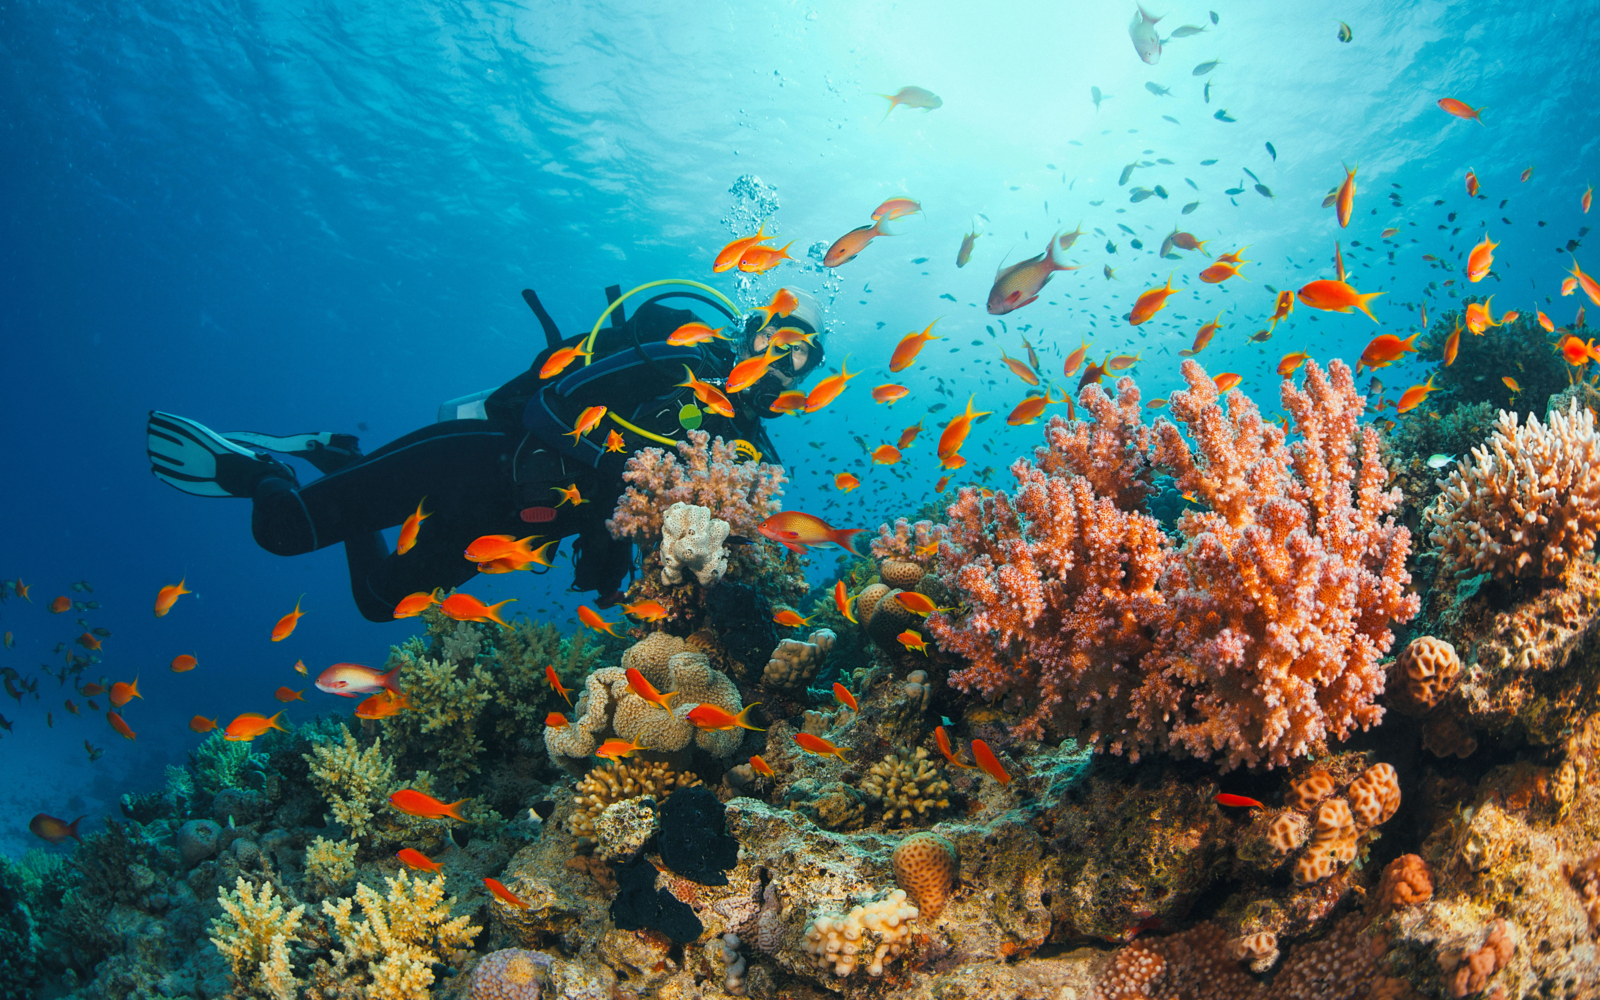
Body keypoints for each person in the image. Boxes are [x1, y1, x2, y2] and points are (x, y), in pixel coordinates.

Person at [146, 284, 827, 622]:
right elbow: (547, 407)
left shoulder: (747, 454)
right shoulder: (676, 355)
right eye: (782, 341)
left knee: (381, 605)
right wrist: (623, 473)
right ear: (753, 331)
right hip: (478, 459)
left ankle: (338, 460)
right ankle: (261, 470)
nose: (786, 366)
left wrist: (613, 549)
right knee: (282, 531)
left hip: (511, 530)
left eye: (804, 362)